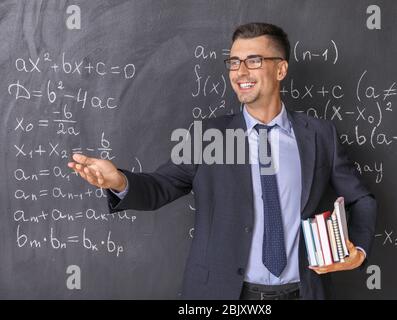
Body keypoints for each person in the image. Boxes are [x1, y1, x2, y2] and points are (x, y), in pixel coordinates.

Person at [68, 22, 377, 300]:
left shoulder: (319, 135)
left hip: (304, 292)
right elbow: (161, 186)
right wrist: (119, 182)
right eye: (234, 62)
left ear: (280, 70)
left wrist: (359, 251)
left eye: (253, 61)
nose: (240, 72)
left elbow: (361, 198)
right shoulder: (207, 137)